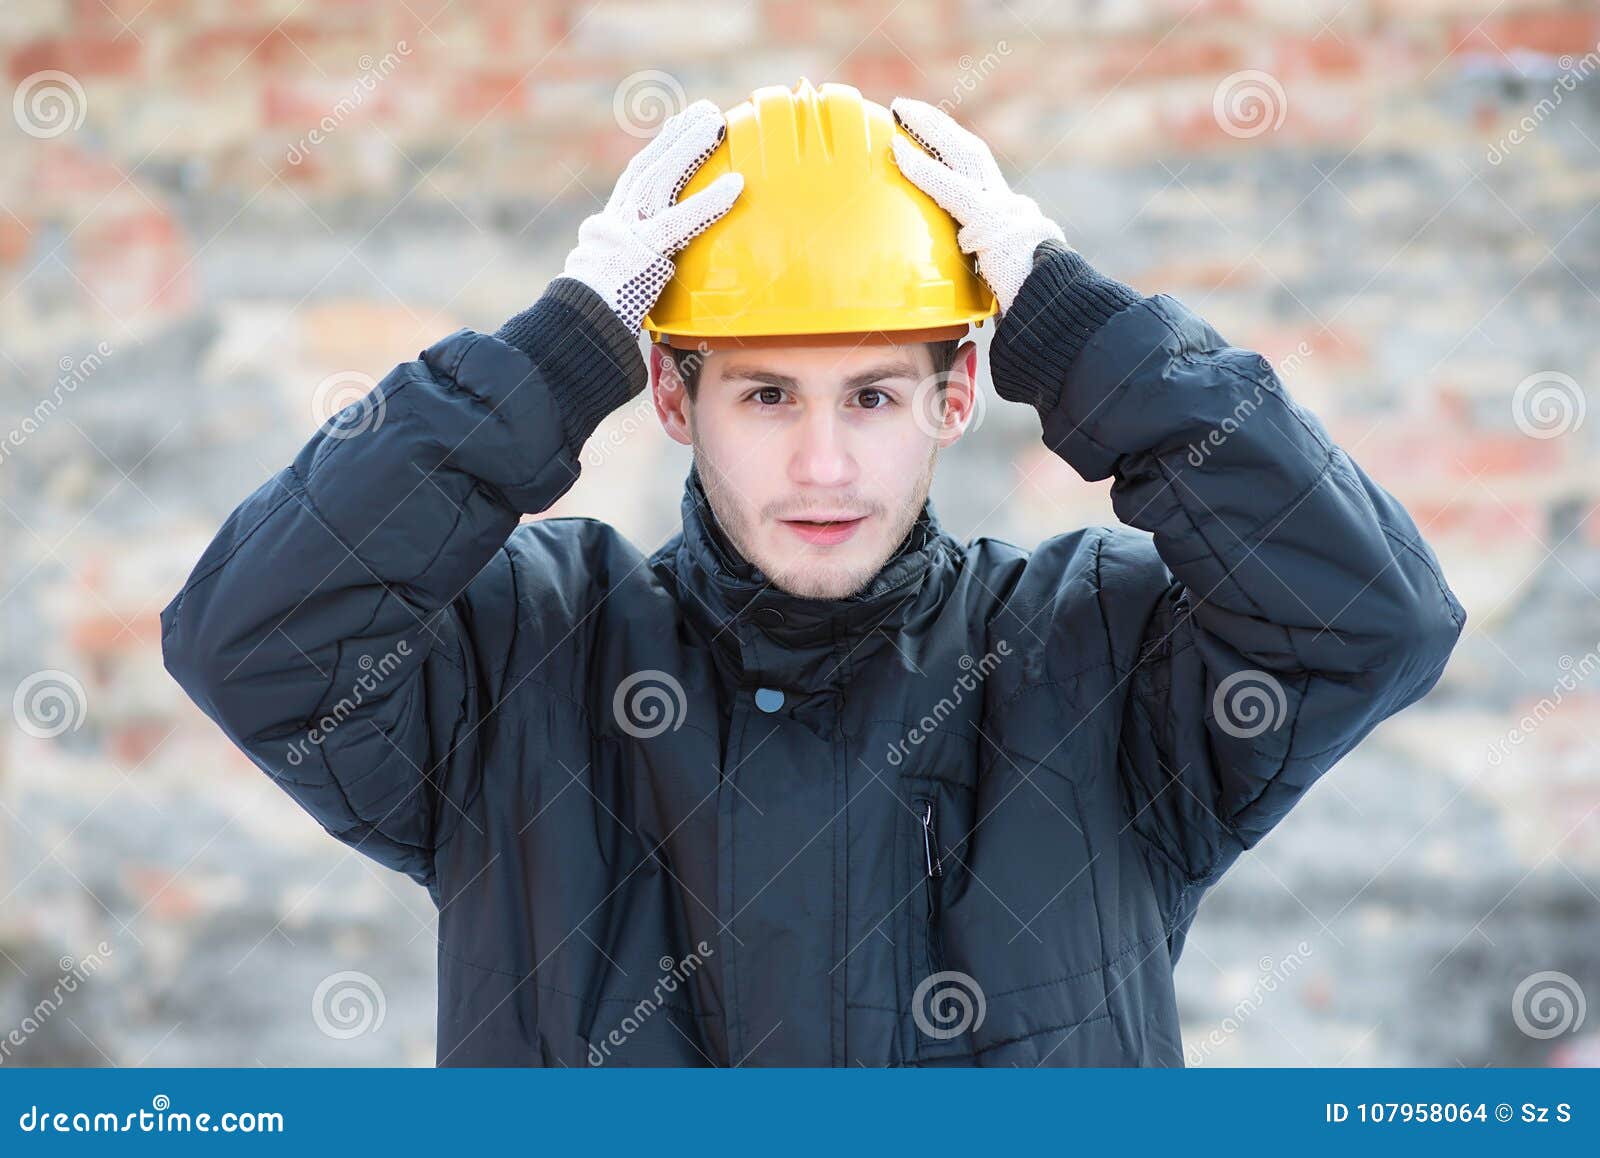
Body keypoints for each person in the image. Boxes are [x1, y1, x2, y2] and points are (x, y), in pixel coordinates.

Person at [160, 80, 1465, 1066]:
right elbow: (251, 640)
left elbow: (1370, 615)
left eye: (875, 394)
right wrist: (553, 356)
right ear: (673, 397)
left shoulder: (1102, 660)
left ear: (958, 395)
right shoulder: (521, 657)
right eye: (768, 393)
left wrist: (1082, 331)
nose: (825, 465)